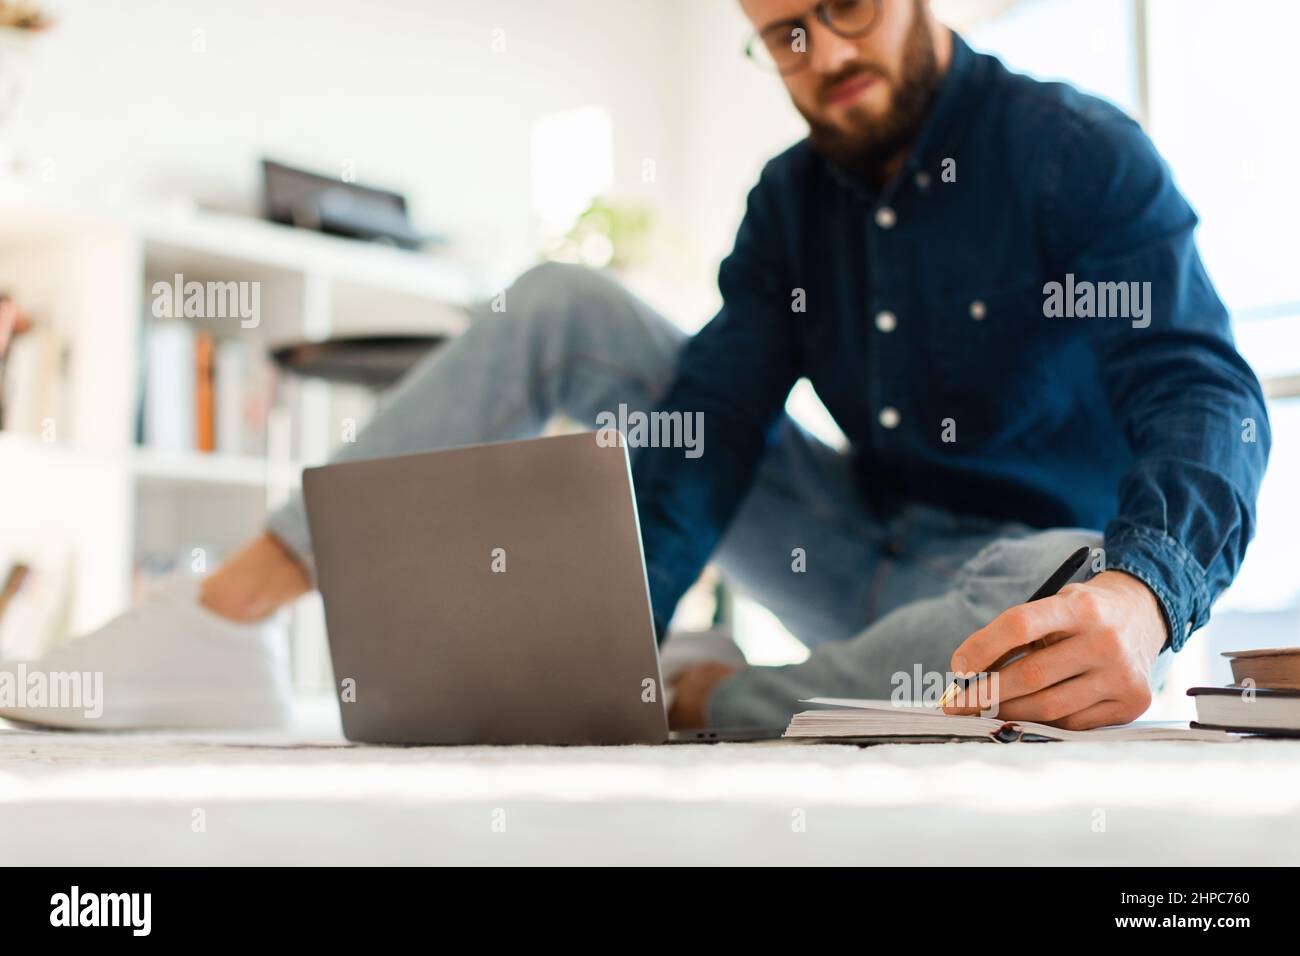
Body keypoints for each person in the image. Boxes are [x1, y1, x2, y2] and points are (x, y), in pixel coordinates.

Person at [1, 0, 1269, 733]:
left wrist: (1144, 594)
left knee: (1033, 597)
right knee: (564, 301)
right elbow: (705, 431)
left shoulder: (1077, 154)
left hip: (1007, 567)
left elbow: (1201, 389)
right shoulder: (789, 206)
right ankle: (223, 620)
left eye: (846, 9)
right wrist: (614, 642)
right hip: (846, 541)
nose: (823, 53)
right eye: (780, 35)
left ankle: (717, 697)